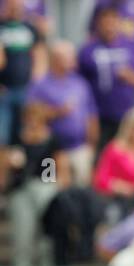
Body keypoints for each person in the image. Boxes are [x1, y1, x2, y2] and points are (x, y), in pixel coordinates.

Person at [24, 39, 97, 186]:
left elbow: (91, 115)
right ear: (56, 59)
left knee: (80, 190)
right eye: (68, 57)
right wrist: (57, 112)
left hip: (79, 148)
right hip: (48, 150)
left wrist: (91, 145)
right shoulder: (41, 85)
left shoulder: (80, 83)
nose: (73, 61)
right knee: (48, 187)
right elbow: (30, 114)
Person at [3, 103, 58, 266]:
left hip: (43, 188)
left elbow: (53, 170)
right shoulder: (17, 139)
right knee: (22, 241)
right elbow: (8, 169)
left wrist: (48, 183)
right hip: (20, 191)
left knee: (45, 242)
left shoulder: (51, 140)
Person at [78, 5, 134, 147]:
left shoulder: (132, 47)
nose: (109, 27)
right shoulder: (87, 51)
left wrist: (131, 77)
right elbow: (80, 88)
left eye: (112, 22)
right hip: (100, 117)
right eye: (105, 23)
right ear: (98, 24)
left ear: (119, 22)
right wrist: (89, 117)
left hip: (127, 118)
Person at [91, 103, 134, 220]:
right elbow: (100, 179)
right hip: (116, 201)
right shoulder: (115, 149)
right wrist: (117, 185)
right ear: (131, 128)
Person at [0, 0, 46, 147]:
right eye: (11, 6)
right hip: (4, 90)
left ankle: (24, 168)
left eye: (17, 6)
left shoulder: (30, 28)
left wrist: (36, 81)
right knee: (3, 135)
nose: (14, 9)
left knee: (24, 133)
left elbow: (40, 55)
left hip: (26, 89)